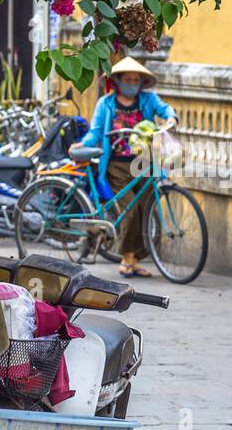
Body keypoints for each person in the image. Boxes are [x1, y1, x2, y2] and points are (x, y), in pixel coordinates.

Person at [75, 56, 178, 278]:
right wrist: (83, 145)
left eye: (136, 79)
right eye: (128, 79)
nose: (132, 83)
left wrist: (171, 118)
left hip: (144, 163)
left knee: (146, 210)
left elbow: (165, 109)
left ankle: (135, 259)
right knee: (130, 210)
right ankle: (126, 256)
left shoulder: (148, 100)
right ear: (119, 81)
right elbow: (96, 131)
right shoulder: (106, 104)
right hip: (117, 166)